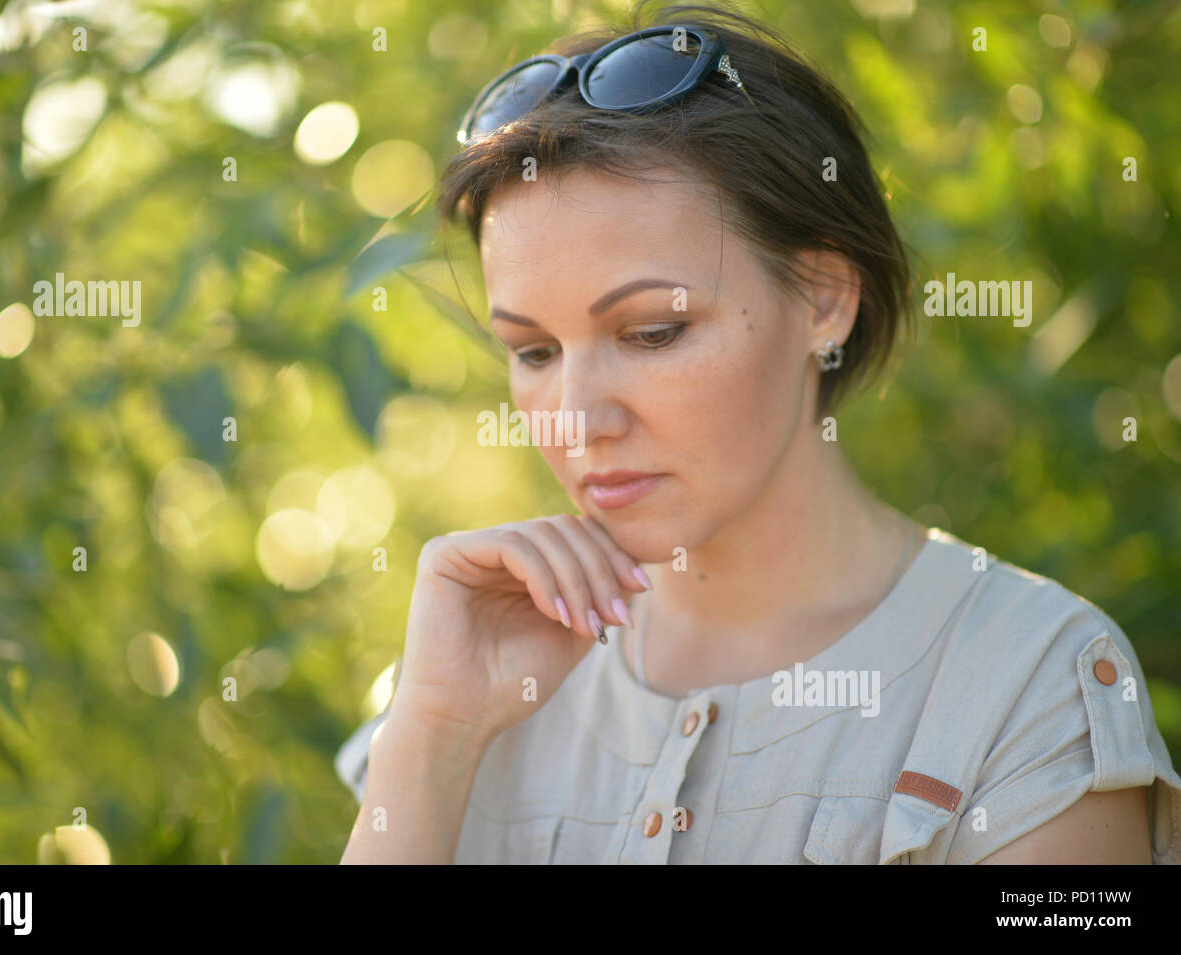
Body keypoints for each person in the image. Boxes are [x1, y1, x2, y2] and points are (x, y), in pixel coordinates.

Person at [337, 1, 1181, 864]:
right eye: (533, 349)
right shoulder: (477, 677)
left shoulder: (1030, 688)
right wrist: (433, 735)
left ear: (823, 298)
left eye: (652, 332)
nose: (577, 421)